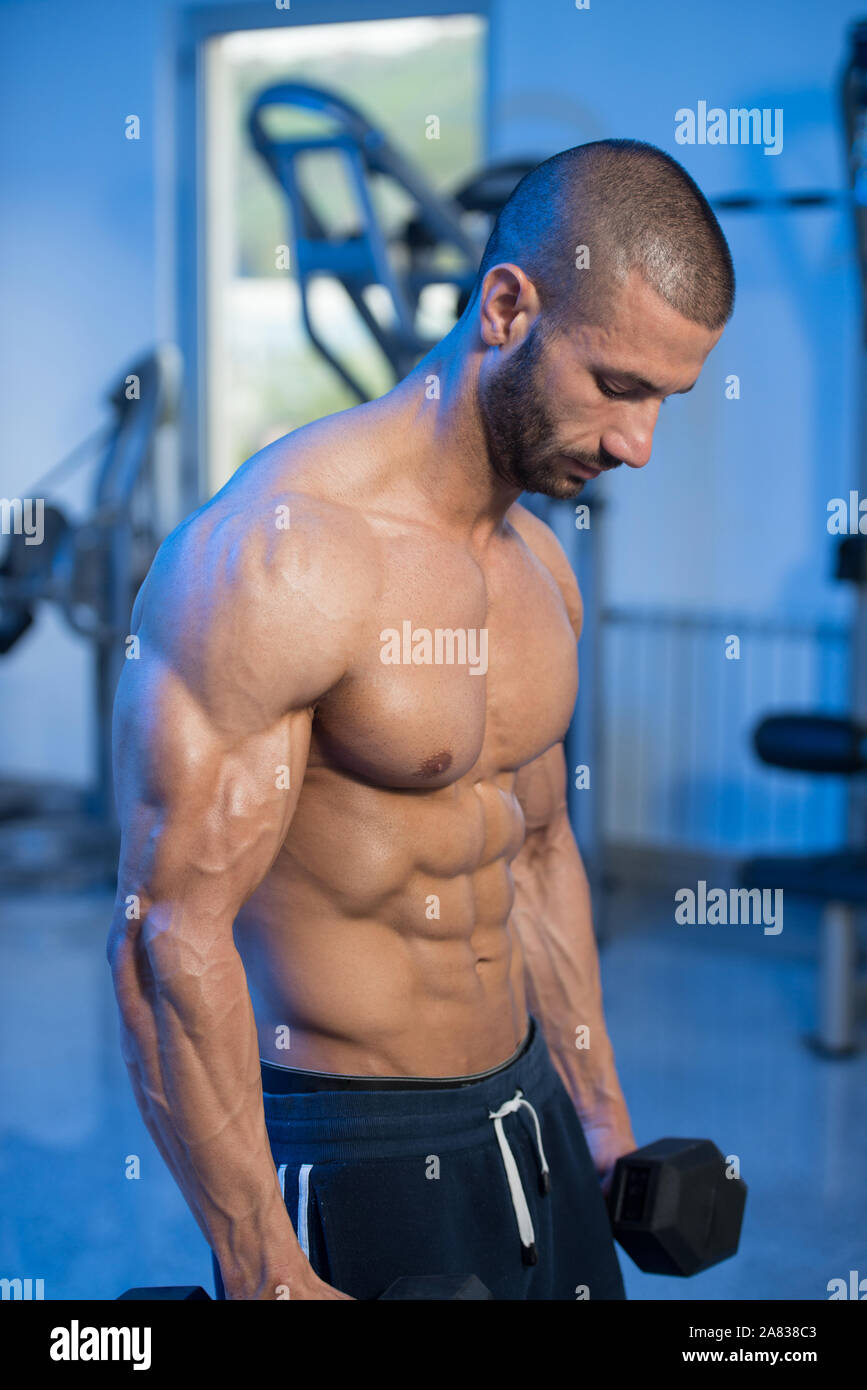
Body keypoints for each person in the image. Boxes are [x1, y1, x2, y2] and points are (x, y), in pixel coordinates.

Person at [107, 138, 734, 1300]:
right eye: (620, 387)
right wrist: (264, 1268)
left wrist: (603, 1121)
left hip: (533, 1106)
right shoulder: (279, 558)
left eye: (668, 401)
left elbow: (540, 854)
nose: (638, 445)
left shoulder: (540, 566)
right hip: (361, 1148)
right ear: (507, 306)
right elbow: (166, 940)